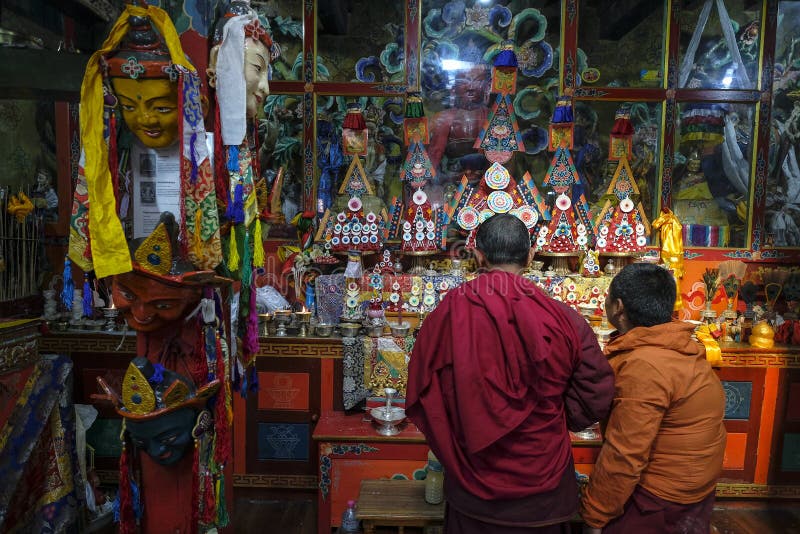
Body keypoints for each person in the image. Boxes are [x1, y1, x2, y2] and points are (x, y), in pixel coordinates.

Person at [406, 213, 615, 533]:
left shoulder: (448, 312)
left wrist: (458, 425)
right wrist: (557, 416)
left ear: (477, 255)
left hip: (472, 481)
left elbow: (424, 387)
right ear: (530, 256)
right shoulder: (563, 318)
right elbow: (597, 390)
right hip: (544, 480)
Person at [580, 262, 727, 534]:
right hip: (696, 486)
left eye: (607, 296)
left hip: (661, 497)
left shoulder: (645, 366)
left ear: (618, 307)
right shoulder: (679, 344)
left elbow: (624, 455)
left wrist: (594, 516)